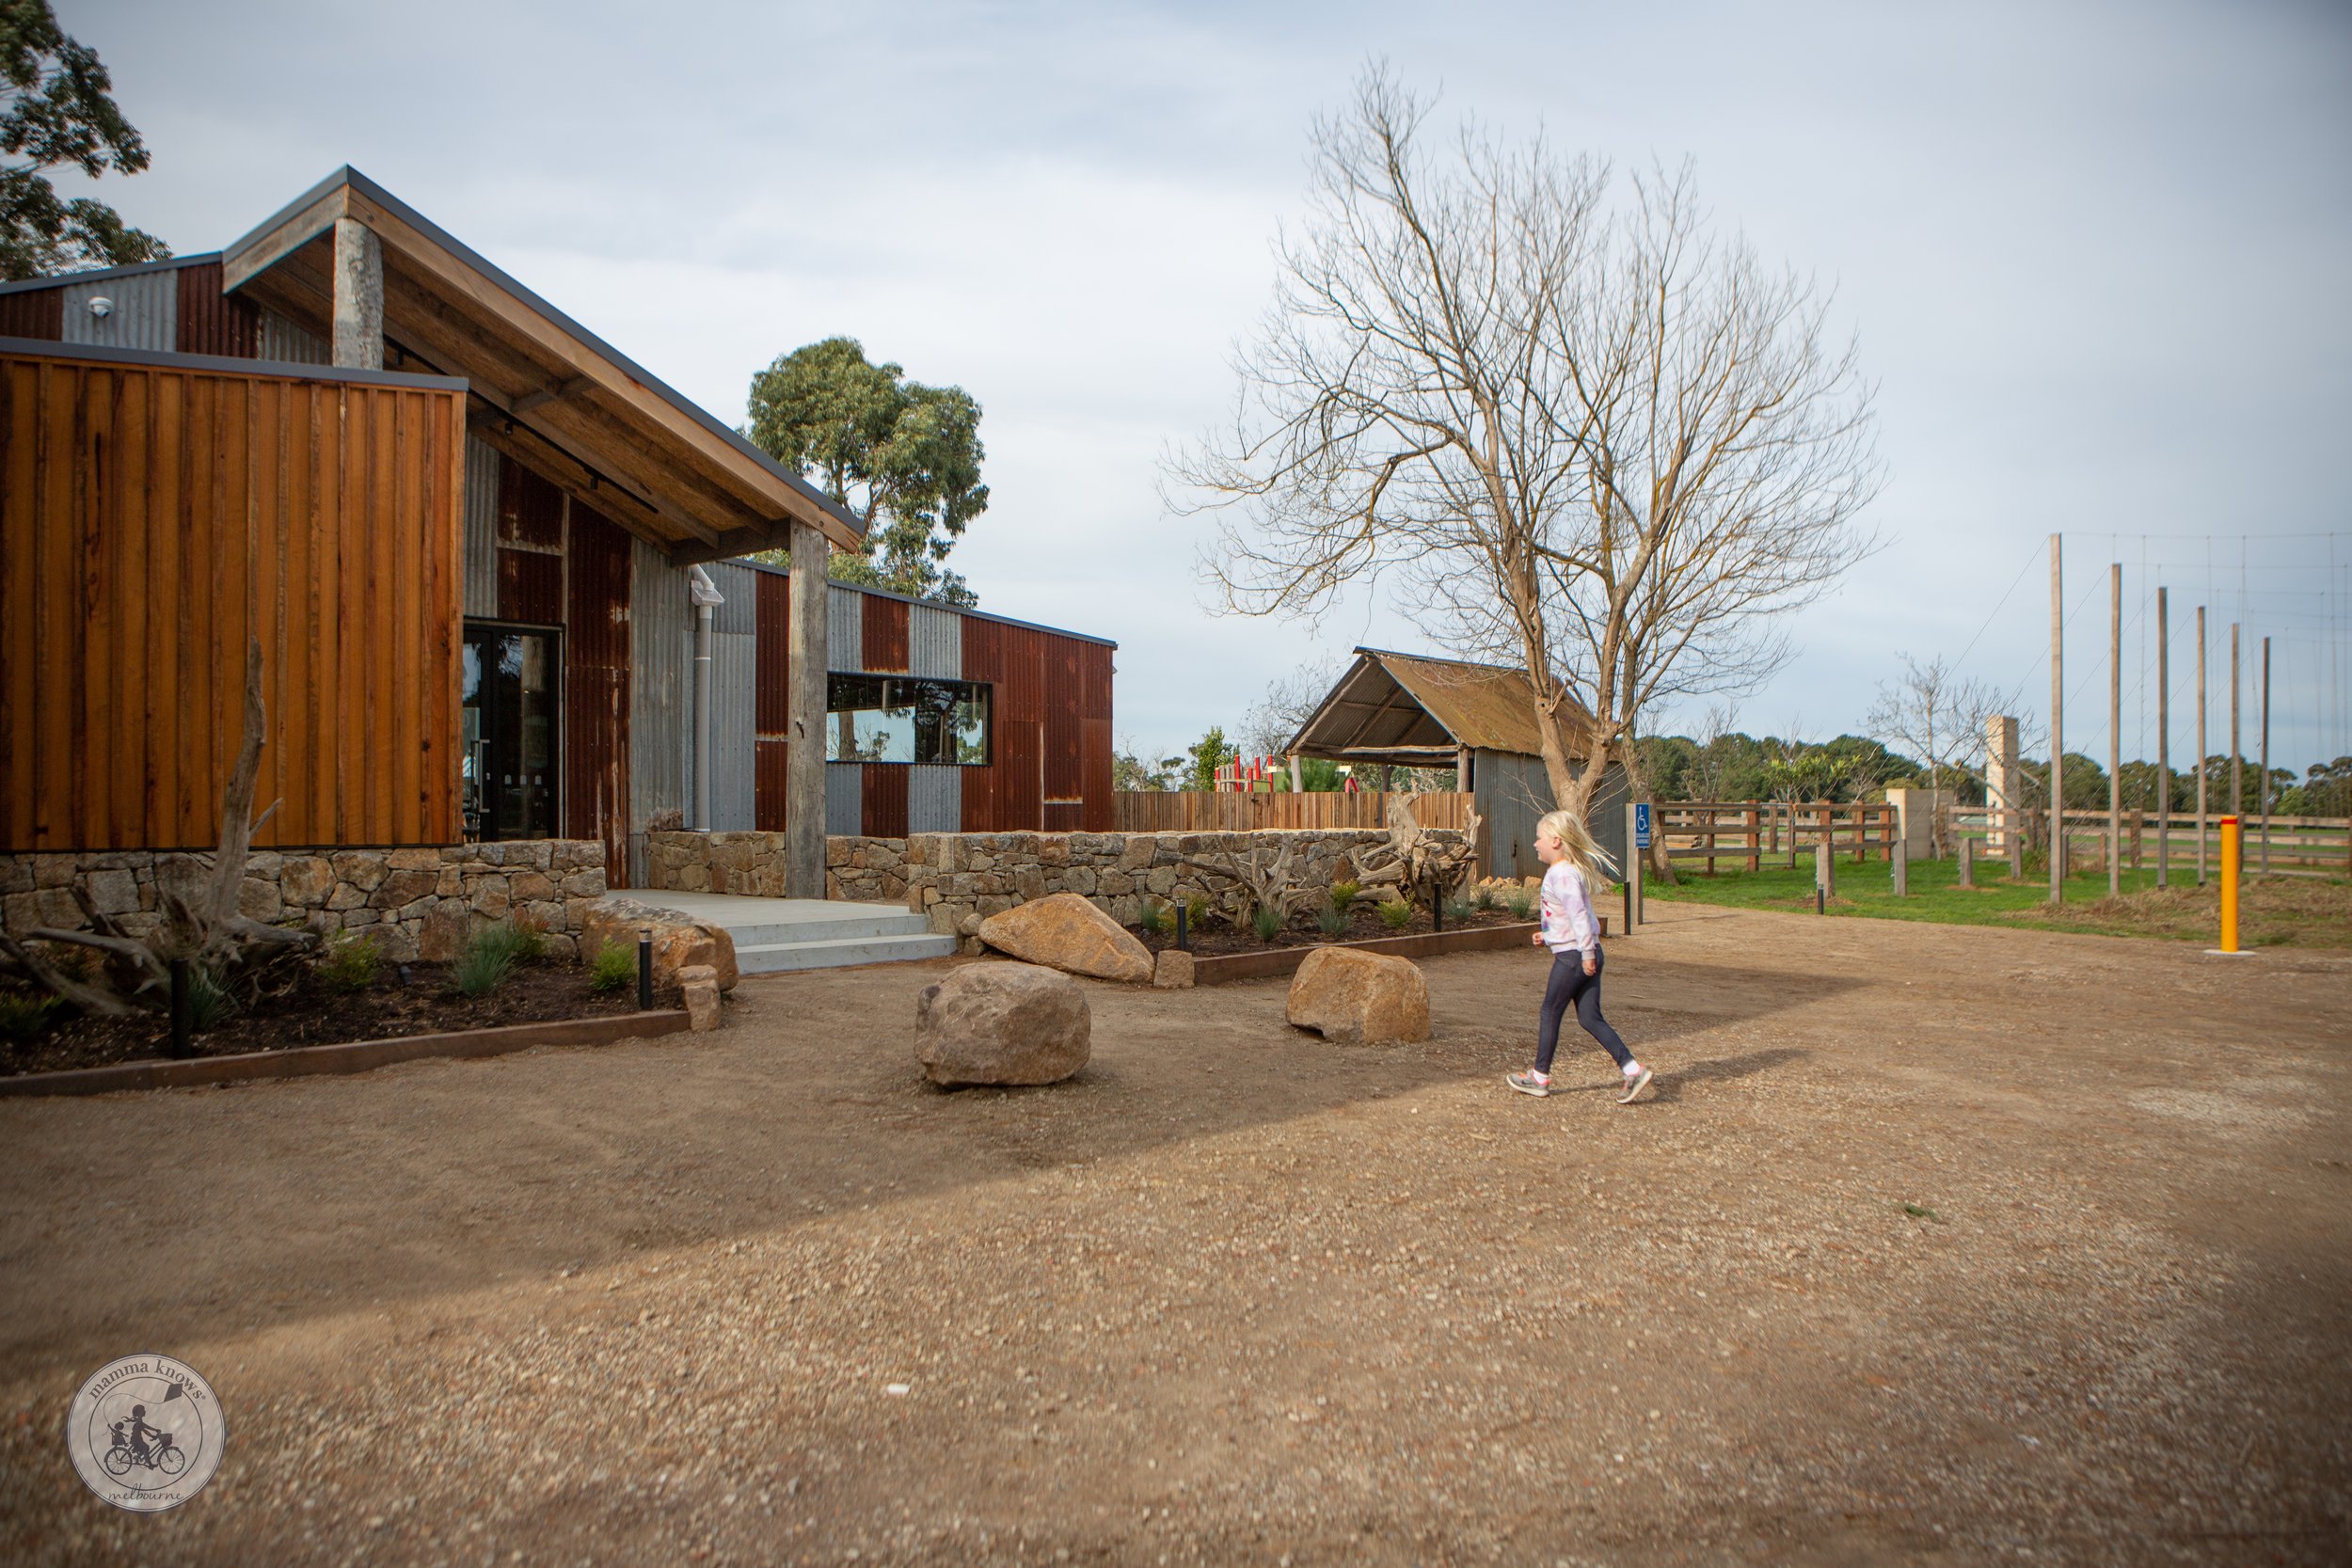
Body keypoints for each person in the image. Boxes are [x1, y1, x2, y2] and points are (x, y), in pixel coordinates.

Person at [1507, 808, 1651, 1102]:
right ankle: (1632, 1069)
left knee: (1550, 1010)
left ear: (1557, 841)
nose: (1536, 843)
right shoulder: (1566, 873)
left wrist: (1585, 954)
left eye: (1540, 838)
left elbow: (1580, 917)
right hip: (1582, 951)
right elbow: (1570, 918)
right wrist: (1548, 936)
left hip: (1575, 956)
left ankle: (1539, 1077)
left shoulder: (1561, 875)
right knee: (1589, 1018)